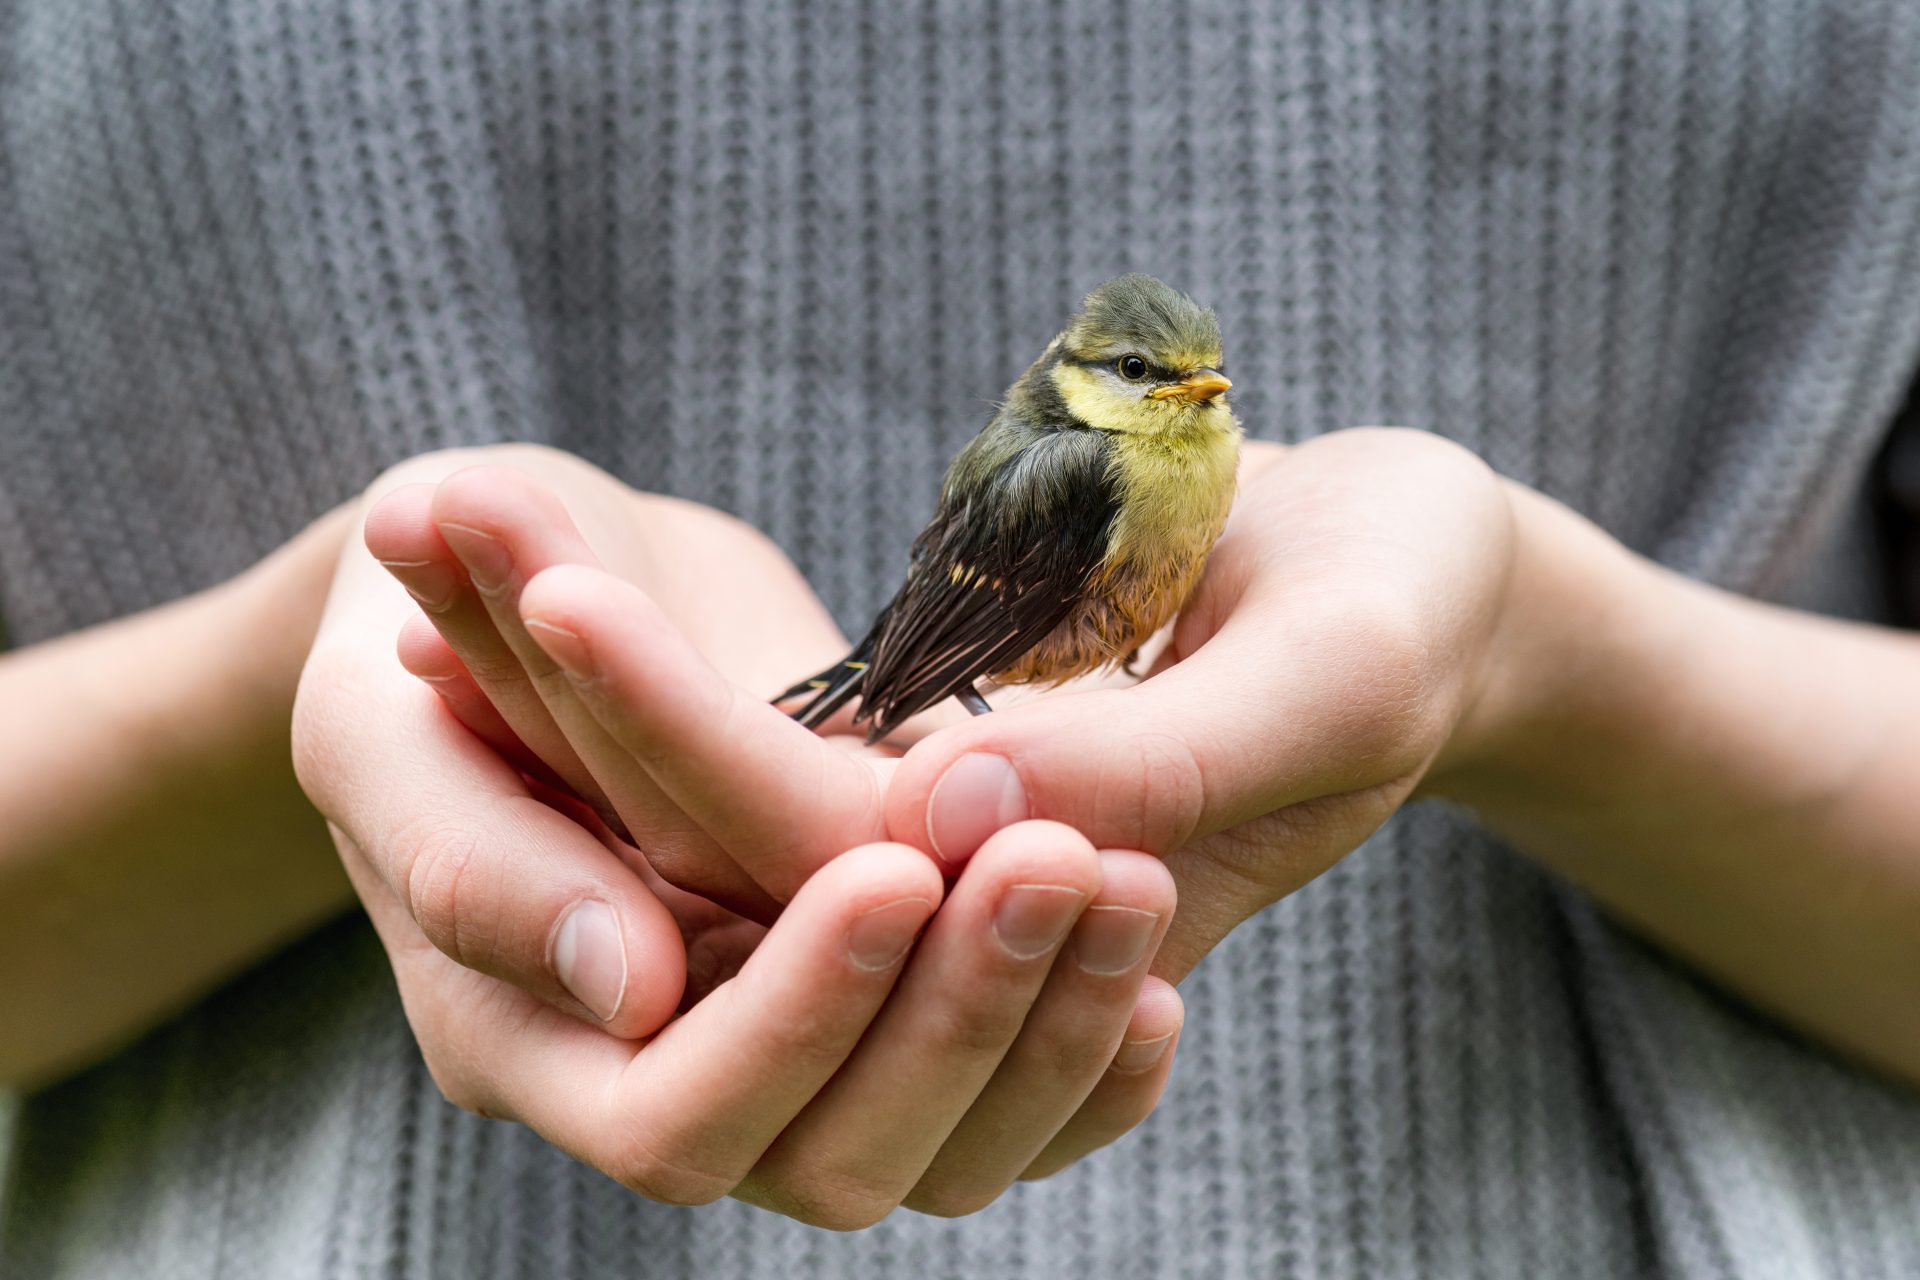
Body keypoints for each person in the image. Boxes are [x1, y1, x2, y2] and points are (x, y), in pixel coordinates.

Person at [4, 2, 1920, 1277]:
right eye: (1152, 383)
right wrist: (351, 699)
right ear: (1090, 387)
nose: (1196, 404)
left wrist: (1538, 657)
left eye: (1207, 386)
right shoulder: (1069, 473)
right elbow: (979, 603)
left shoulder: (1192, 455)